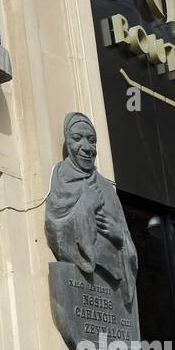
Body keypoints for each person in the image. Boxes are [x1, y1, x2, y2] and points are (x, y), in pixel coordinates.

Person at [44, 112, 137, 310]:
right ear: (68, 142)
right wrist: (86, 205)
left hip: (110, 276)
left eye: (92, 140)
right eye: (78, 139)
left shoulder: (107, 189)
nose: (87, 147)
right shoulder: (59, 179)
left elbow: (130, 249)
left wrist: (119, 236)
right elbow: (55, 229)